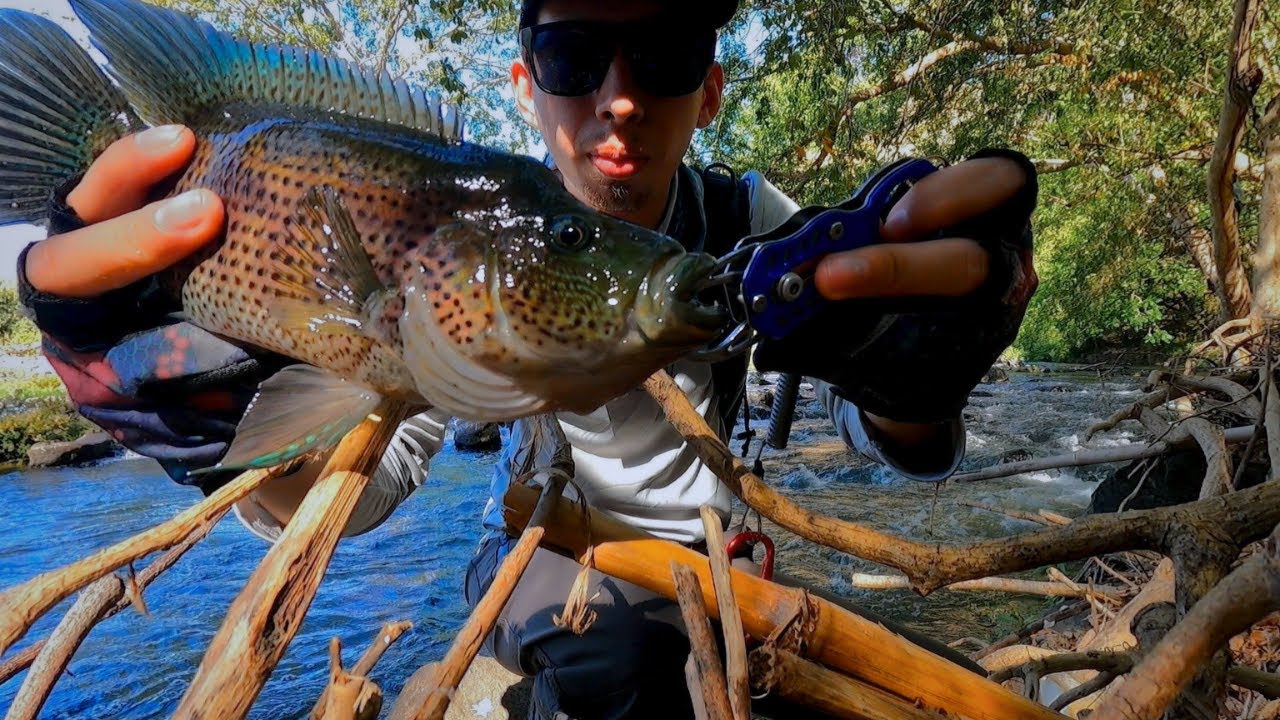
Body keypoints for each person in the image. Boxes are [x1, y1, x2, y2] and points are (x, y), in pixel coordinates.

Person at [17, 0, 1039, 717]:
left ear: (712, 86)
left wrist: (916, 379)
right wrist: (215, 441)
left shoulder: (748, 227)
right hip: (545, 570)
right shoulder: (446, 247)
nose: (620, 98)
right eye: (572, 56)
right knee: (615, 666)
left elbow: (896, 443)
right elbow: (366, 487)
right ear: (525, 82)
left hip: (726, 578)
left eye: (667, 50)